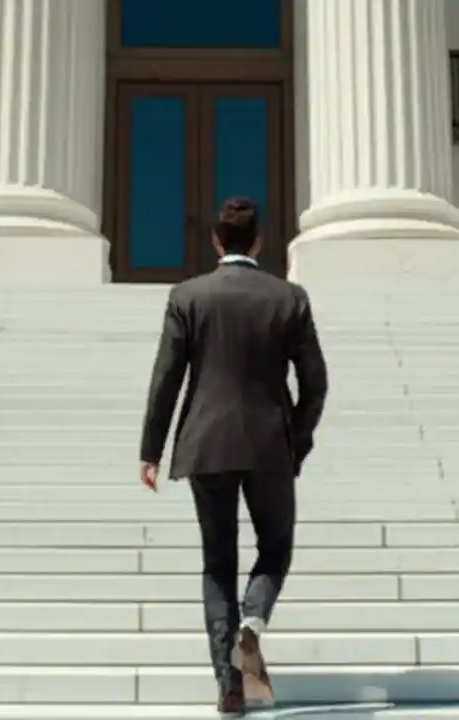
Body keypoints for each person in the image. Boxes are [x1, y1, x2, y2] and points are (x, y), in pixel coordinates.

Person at [138, 197, 329, 716]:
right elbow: (315, 382)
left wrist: (151, 451)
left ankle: (229, 686)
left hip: (206, 444)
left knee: (218, 562)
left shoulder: (188, 295)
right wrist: (298, 438)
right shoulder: (289, 297)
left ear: (217, 243)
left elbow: (166, 379)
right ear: (259, 242)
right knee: (276, 547)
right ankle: (252, 624)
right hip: (270, 444)